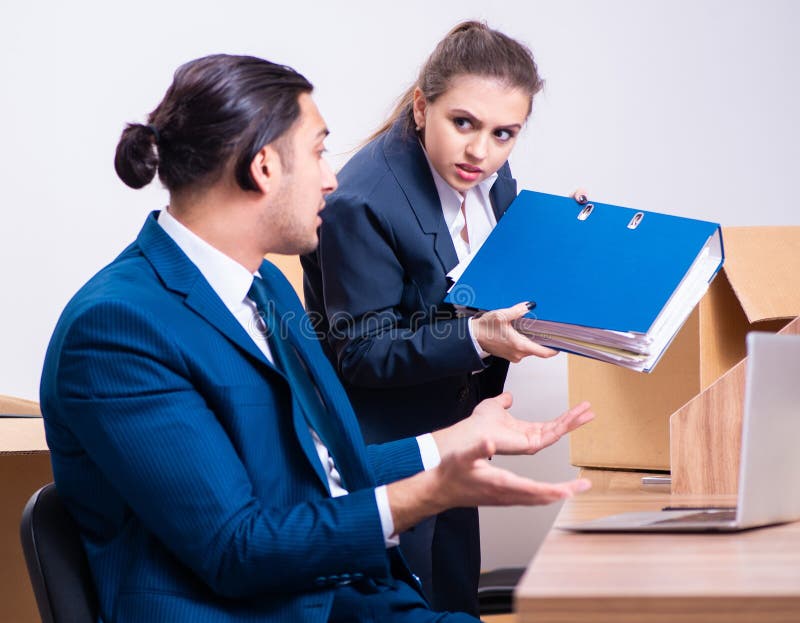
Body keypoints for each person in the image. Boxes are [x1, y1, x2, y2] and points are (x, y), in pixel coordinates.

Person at [39, 53, 594, 623]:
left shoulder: (268, 289)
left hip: (342, 598)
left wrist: (451, 443)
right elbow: (238, 549)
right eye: (319, 151)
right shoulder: (116, 330)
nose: (333, 178)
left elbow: (316, 476)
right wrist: (426, 493)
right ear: (263, 169)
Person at [301, 21, 576, 614]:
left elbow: (487, 277)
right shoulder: (361, 202)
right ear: (423, 108)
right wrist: (478, 337)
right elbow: (361, 352)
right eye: (464, 123)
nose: (482, 151)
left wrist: (561, 238)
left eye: (505, 133)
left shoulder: (491, 178)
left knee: (457, 606)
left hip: (458, 435)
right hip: (391, 455)